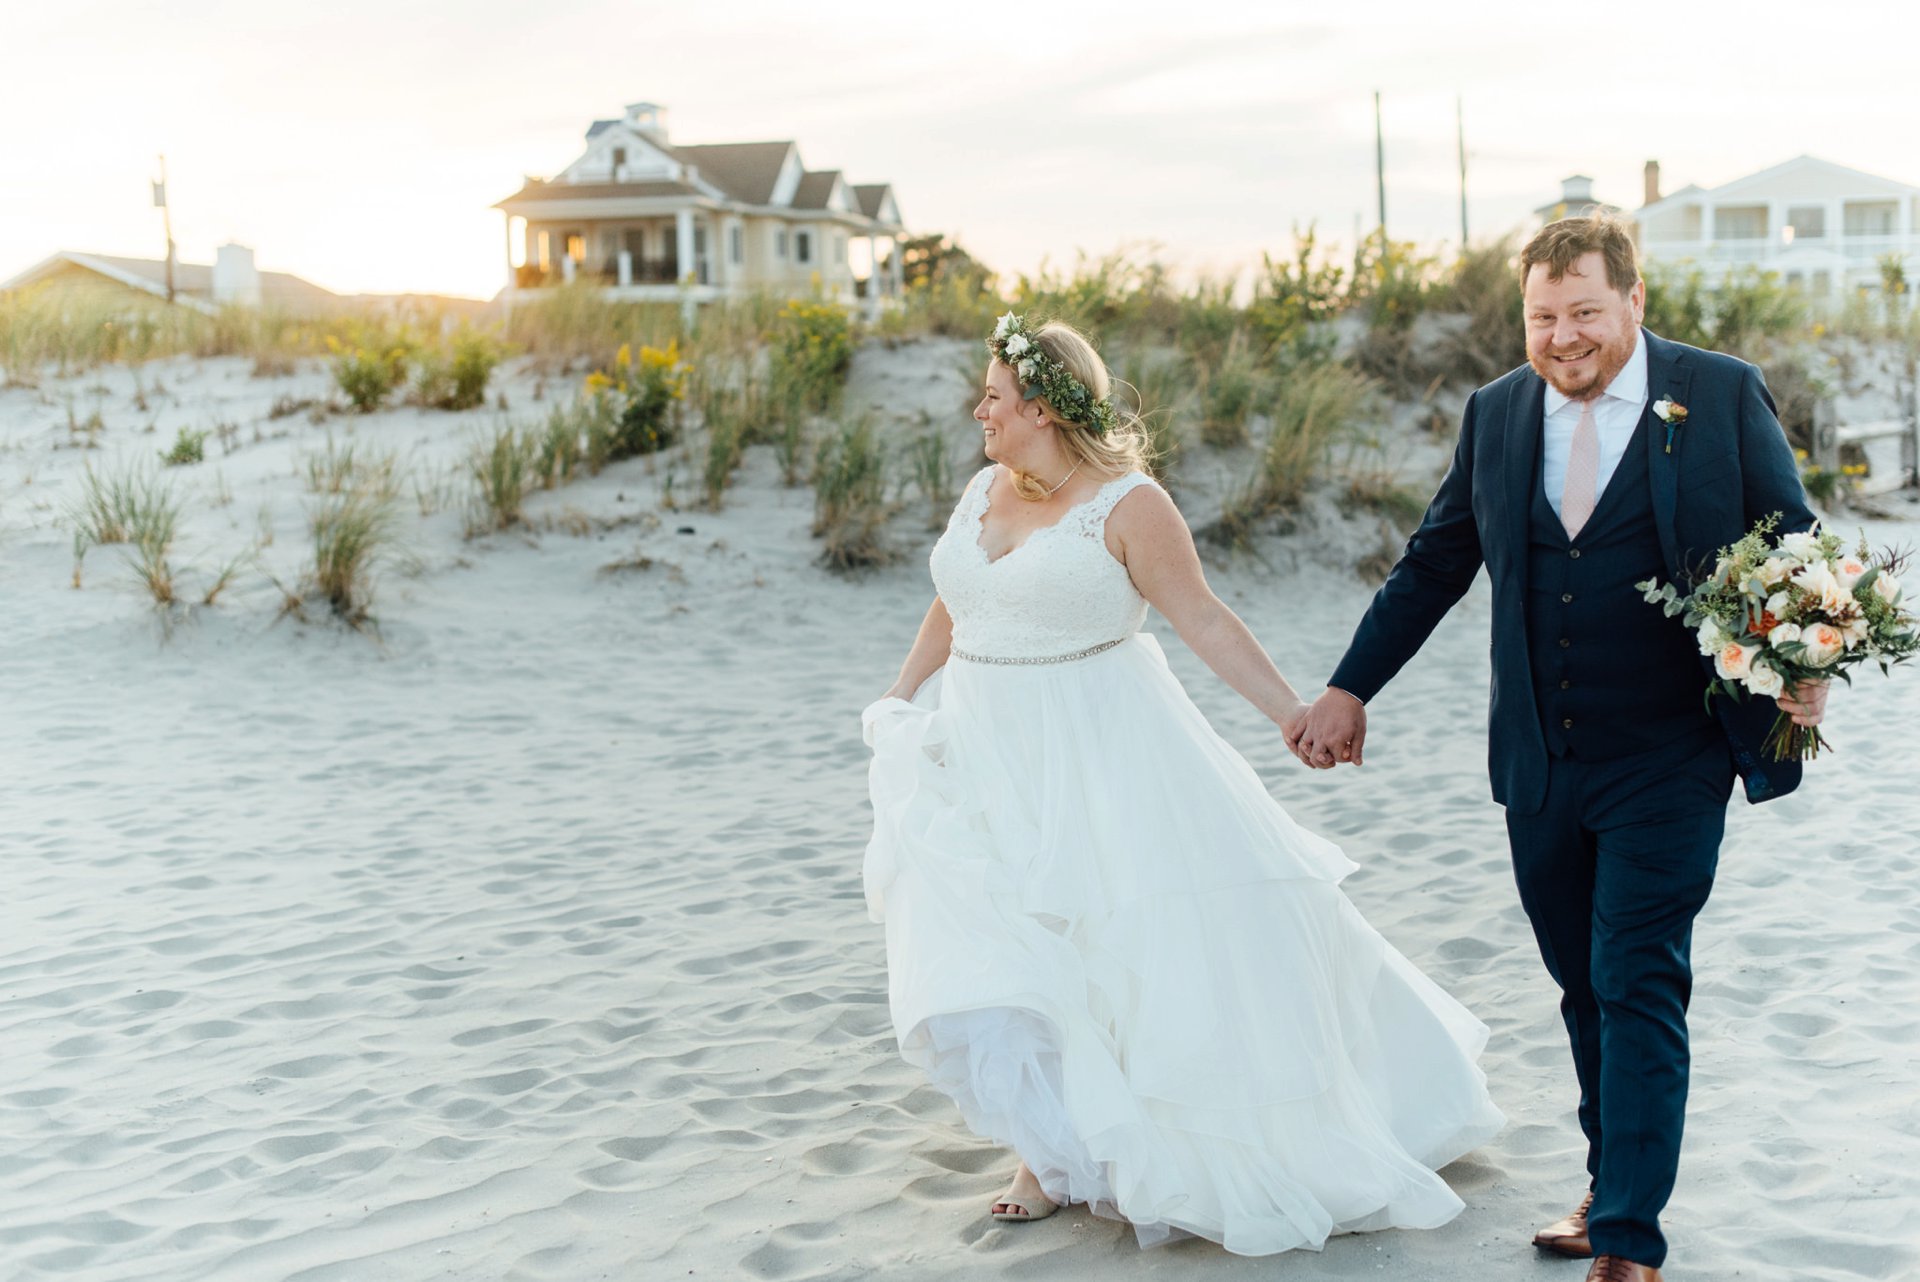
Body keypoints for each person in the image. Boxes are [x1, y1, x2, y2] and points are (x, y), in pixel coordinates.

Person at [861, 312, 1504, 1255]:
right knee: (1016, 938)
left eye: (994, 397)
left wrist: (1291, 709)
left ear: (1041, 407)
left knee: (1121, 938)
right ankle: (1045, 1153)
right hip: (985, 745)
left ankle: (1166, 1135)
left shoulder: (1130, 505)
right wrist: (901, 695)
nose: (980, 411)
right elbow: (957, 603)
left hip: (1101, 747)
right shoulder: (984, 489)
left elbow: (1202, 618)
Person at [1290, 214, 1827, 1282]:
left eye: (1584, 311)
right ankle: (1606, 1181)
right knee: (1582, 982)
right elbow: (1435, 561)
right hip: (1540, 758)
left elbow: (1794, 539)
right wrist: (1351, 685)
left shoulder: (1717, 393)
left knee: (1637, 975)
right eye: (1543, 316)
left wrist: (1806, 663)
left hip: (1674, 754)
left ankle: (1630, 1237)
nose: (1564, 335)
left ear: (1634, 301)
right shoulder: (1495, 413)